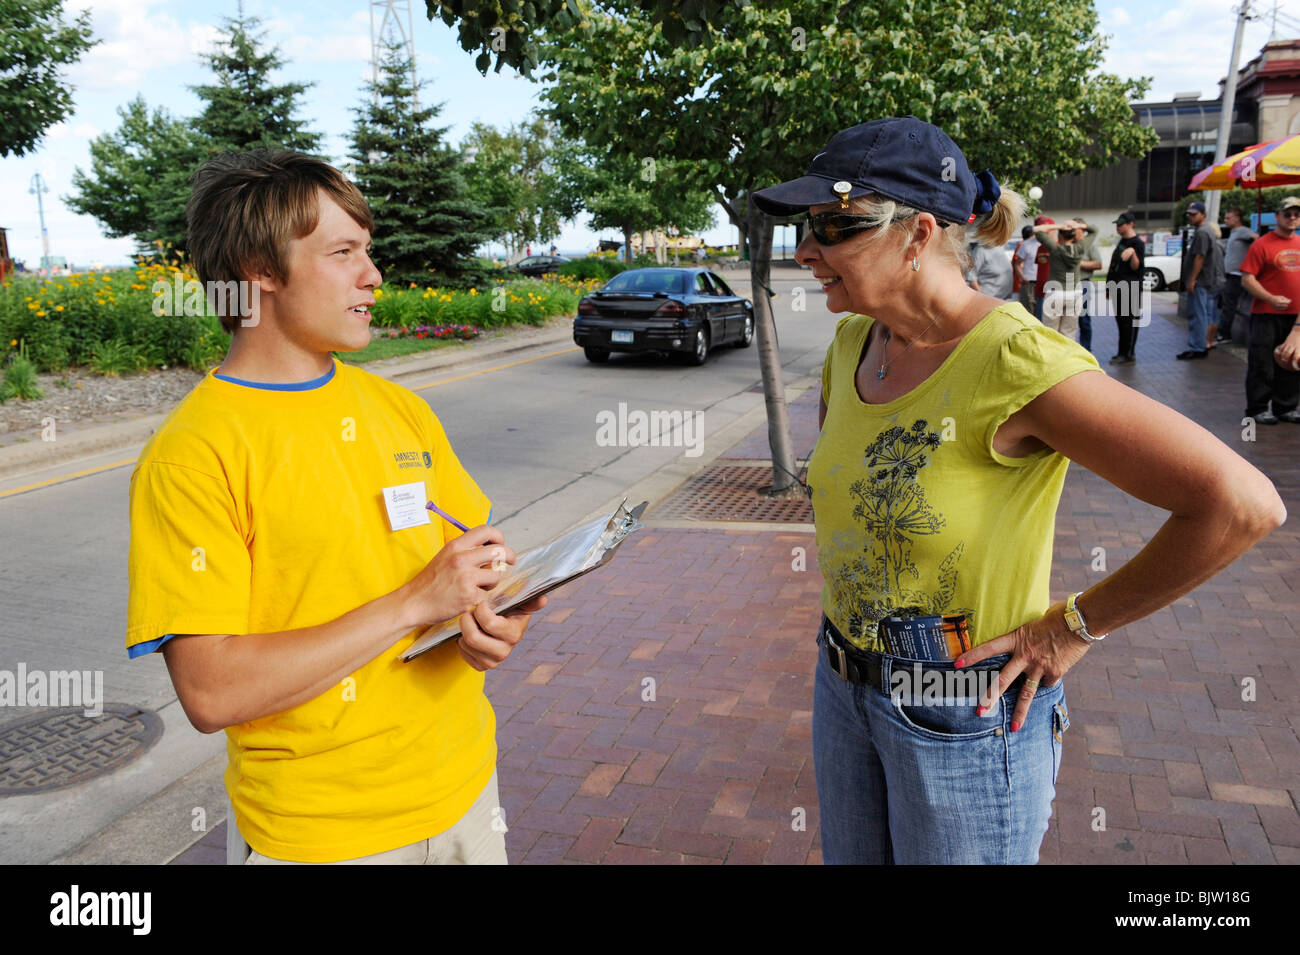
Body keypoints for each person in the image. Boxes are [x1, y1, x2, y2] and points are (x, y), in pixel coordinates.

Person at [751, 116, 1286, 865]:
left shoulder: (1015, 359)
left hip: (959, 711)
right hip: (843, 686)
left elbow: (1241, 503)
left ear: (918, 233)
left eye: (835, 225)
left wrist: (1069, 628)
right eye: (806, 228)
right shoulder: (852, 343)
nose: (807, 251)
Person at [125, 150, 547, 865]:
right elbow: (210, 689)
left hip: (469, 793)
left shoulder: (399, 408)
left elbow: (479, 552)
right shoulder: (193, 454)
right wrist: (413, 603)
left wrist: (501, 609)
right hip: (322, 837)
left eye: (369, 251)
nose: (373, 274)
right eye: (343, 252)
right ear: (258, 271)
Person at [1238, 195, 1300, 424]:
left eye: (1296, 214)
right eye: (1287, 214)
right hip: (1266, 314)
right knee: (1262, 362)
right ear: (1277, 217)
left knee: (1291, 361)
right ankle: (1258, 407)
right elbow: (1247, 279)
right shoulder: (1262, 244)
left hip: (1295, 319)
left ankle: (1287, 406)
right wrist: (1270, 298)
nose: (1292, 218)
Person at [1035, 218, 1097, 339]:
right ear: (1073, 236)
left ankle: (1051, 357)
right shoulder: (1080, 248)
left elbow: (1037, 230)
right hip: (1074, 294)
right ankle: (1066, 357)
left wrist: (1059, 226)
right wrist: (1077, 225)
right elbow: (1094, 230)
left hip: (1055, 293)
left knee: (1050, 333)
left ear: (1060, 235)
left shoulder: (1055, 249)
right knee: (1068, 333)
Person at [1179, 201, 1225, 360]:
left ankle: (1197, 347)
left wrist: (1192, 280)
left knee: (1198, 314)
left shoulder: (1203, 232)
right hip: (1207, 281)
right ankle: (1199, 345)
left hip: (1202, 282)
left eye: (1194, 214)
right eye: (1189, 214)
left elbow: (1200, 257)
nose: (1191, 217)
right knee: (1203, 314)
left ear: (1203, 214)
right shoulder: (1205, 231)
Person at [1106, 212, 1146, 364]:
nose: (1118, 227)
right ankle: (1122, 352)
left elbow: (1137, 267)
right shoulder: (1122, 241)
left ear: (1131, 224)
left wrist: (1133, 254)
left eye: (1121, 224)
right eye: (1117, 224)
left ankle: (1128, 354)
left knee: (1129, 322)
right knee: (1121, 321)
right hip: (1118, 287)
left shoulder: (1137, 243)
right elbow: (1114, 266)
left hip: (1130, 289)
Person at [1216, 207, 1257, 346]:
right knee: (1229, 303)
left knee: (1229, 304)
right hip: (1232, 274)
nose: (1225, 220)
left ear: (1237, 218)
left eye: (1228, 217)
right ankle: (1223, 332)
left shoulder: (1243, 231)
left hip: (1237, 275)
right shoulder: (1234, 233)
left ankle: (1224, 333)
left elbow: (1256, 239)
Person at [1075, 226, 1103, 352]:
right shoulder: (1067, 244)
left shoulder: (1089, 245)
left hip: (1083, 285)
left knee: (1083, 319)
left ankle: (1086, 350)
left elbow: (1098, 264)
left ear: (1082, 230)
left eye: (1075, 228)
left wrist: (1077, 263)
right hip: (1066, 286)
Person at [1013, 225, 1039, 315]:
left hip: (1042, 283)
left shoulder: (1045, 243)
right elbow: (1017, 263)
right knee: (1029, 310)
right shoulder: (1024, 245)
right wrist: (1023, 278)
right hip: (1028, 282)